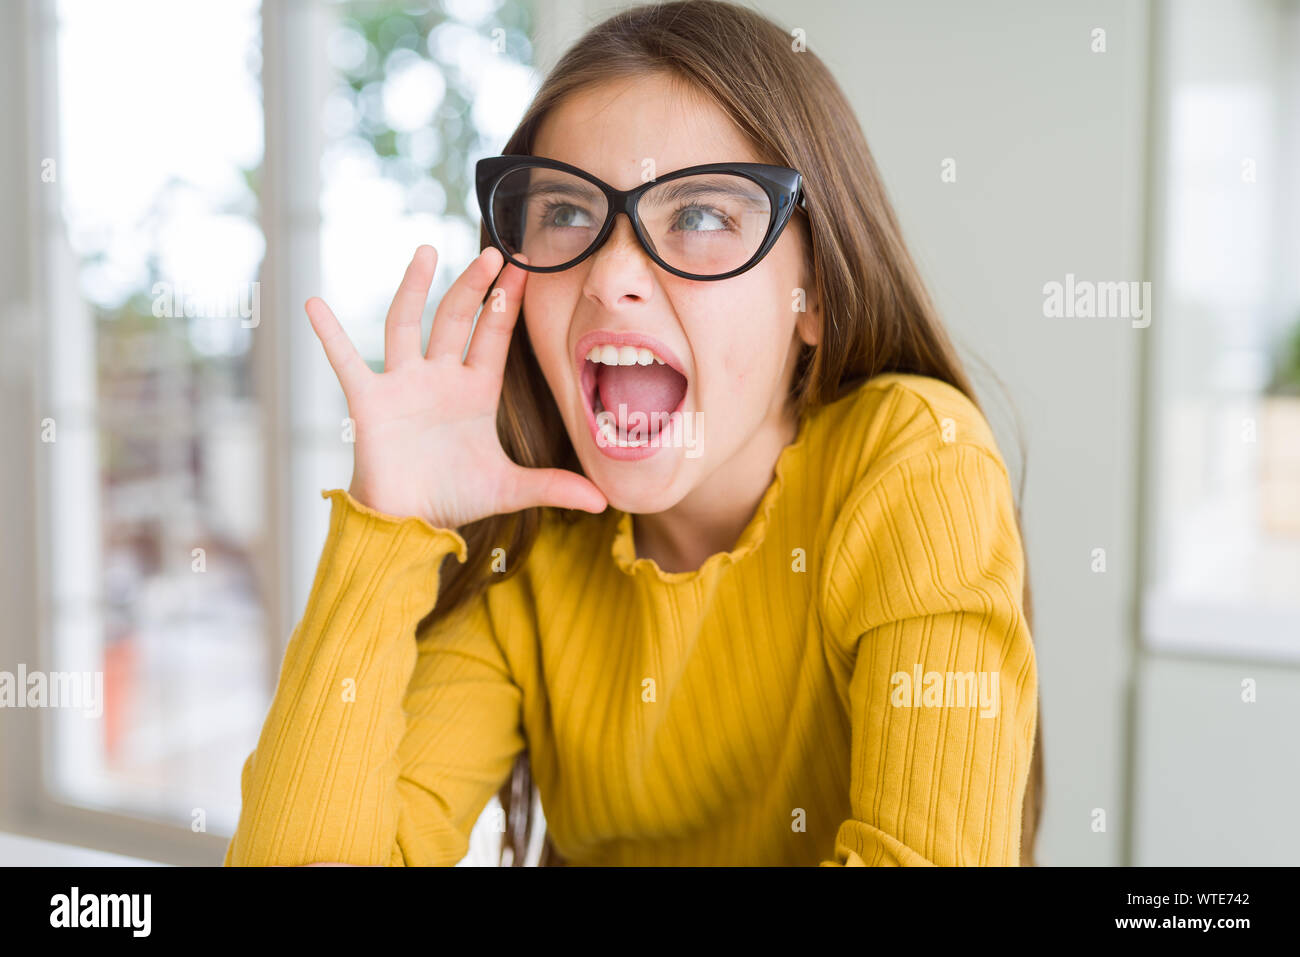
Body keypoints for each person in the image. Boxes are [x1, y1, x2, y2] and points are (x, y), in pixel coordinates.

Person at [223, 0, 1042, 868]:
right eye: (568, 213)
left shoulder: (913, 461)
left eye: (699, 216)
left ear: (818, 294)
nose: (611, 277)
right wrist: (383, 529)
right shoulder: (524, 551)